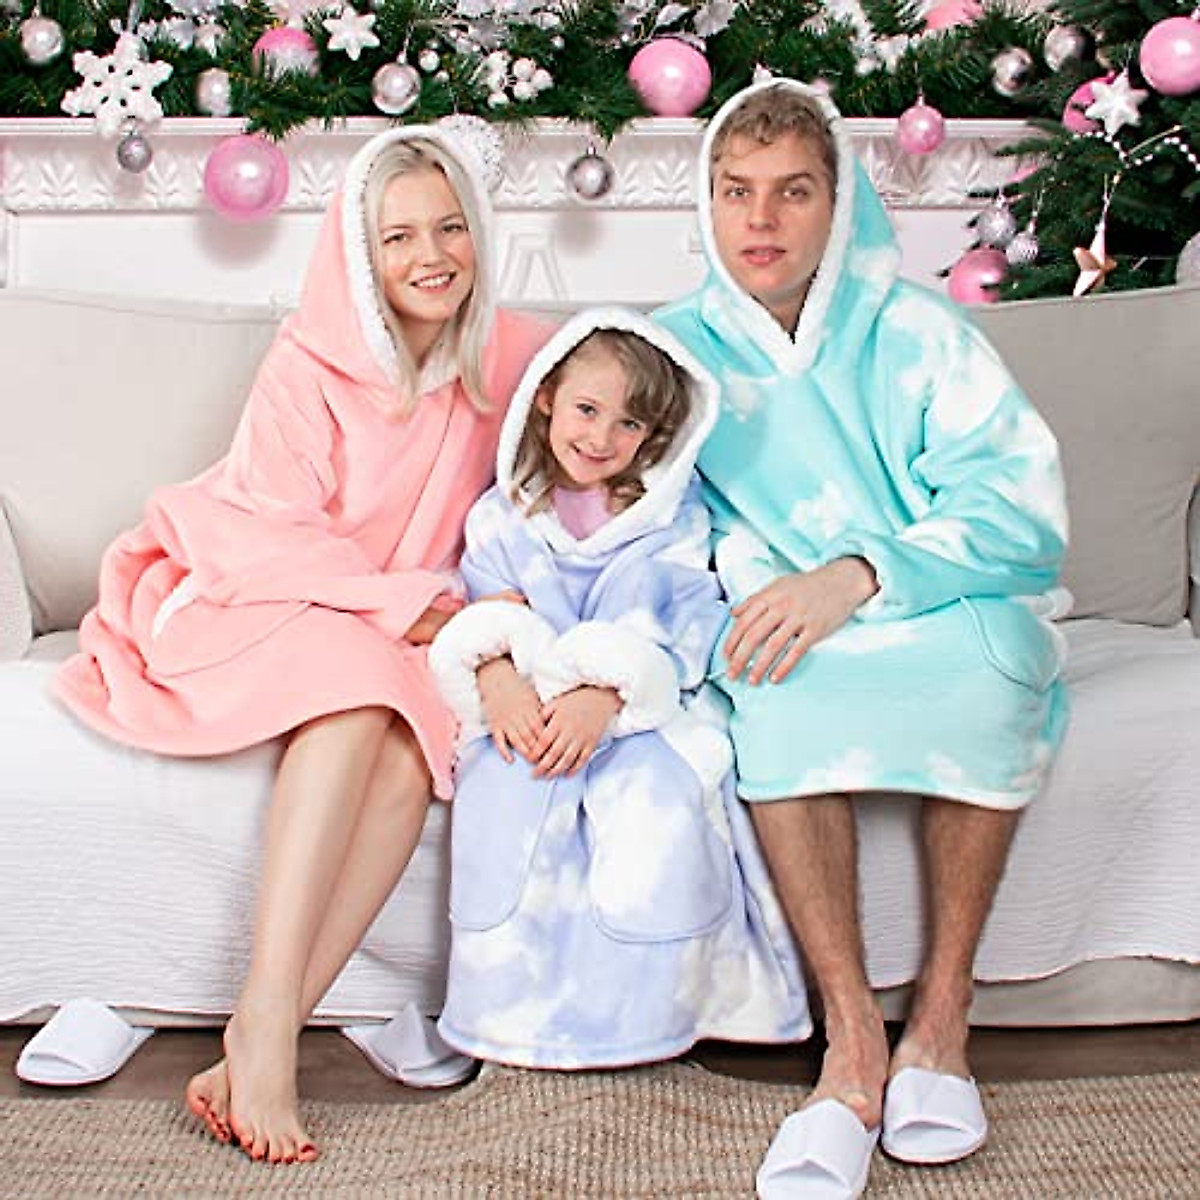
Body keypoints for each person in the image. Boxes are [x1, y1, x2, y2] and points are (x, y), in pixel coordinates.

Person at [53, 126, 552, 1164]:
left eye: (451, 228)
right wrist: (415, 605)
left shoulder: (510, 357)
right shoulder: (308, 361)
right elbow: (276, 535)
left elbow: (638, 390)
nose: (432, 256)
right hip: (255, 584)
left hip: (391, 617)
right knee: (358, 688)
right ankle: (271, 1018)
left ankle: (259, 1032)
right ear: (360, 254)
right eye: (399, 237)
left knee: (413, 744)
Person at [655, 80, 1069, 1196]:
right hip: (776, 609)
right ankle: (851, 1040)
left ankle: (942, 1018)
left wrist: (860, 574)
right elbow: (650, 516)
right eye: (736, 191)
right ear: (706, 203)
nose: (761, 219)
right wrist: (765, 583)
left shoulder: (921, 331)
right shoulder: (671, 352)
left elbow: (1016, 503)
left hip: (936, 595)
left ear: (838, 206)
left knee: (987, 687)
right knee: (773, 686)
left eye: (793, 192)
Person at [427, 307, 810, 1069]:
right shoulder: (505, 515)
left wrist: (607, 692)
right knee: (507, 792)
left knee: (653, 803)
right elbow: (486, 608)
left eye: (629, 424)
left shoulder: (668, 517)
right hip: (527, 707)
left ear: (655, 435)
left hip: (637, 710)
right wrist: (500, 680)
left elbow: (689, 613)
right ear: (545, 398)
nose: (601, 437)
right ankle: (511, 1013)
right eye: (587, 409)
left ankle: (654, 1007)